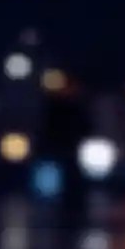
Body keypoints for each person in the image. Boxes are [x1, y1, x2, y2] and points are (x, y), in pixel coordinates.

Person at [38, 70, 93, 236]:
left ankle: (70, 216)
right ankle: (65, 216)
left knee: (69, 185)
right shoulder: (59, 106)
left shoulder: (69, 106)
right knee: (62, 185)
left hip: (67, 151)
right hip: (62, 151)